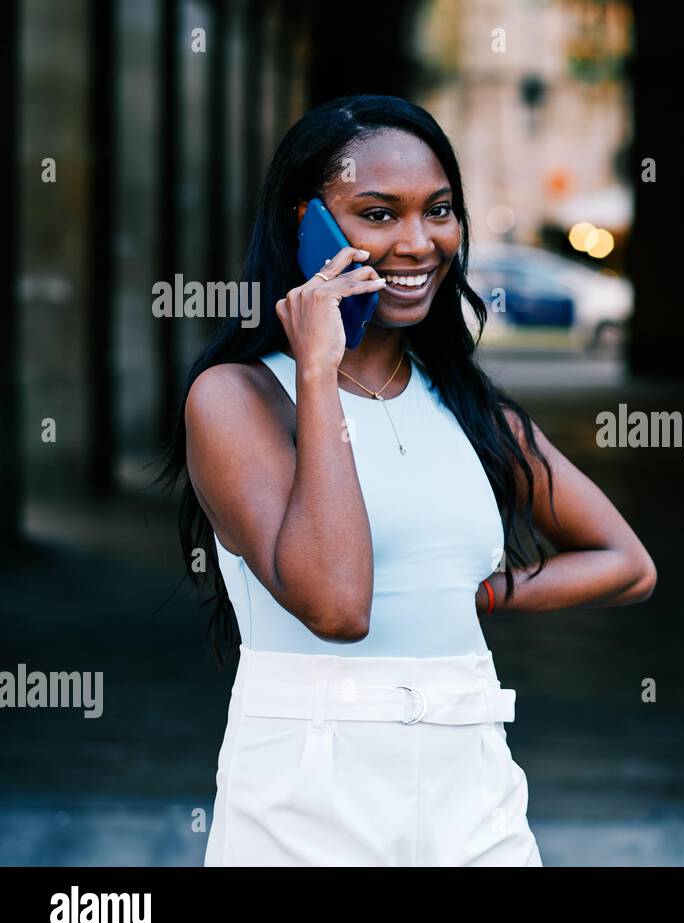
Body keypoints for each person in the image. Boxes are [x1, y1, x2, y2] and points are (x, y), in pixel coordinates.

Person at [156, 94, 656, 866]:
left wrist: (485, 593)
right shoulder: (236, 398)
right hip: (307, 796)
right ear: (306, 226)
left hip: (474, 784)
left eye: (440, 210)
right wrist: (318, 372)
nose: (419, 243)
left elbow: (626, 564)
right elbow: (336, 605)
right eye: (378, 214)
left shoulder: (463, 401)